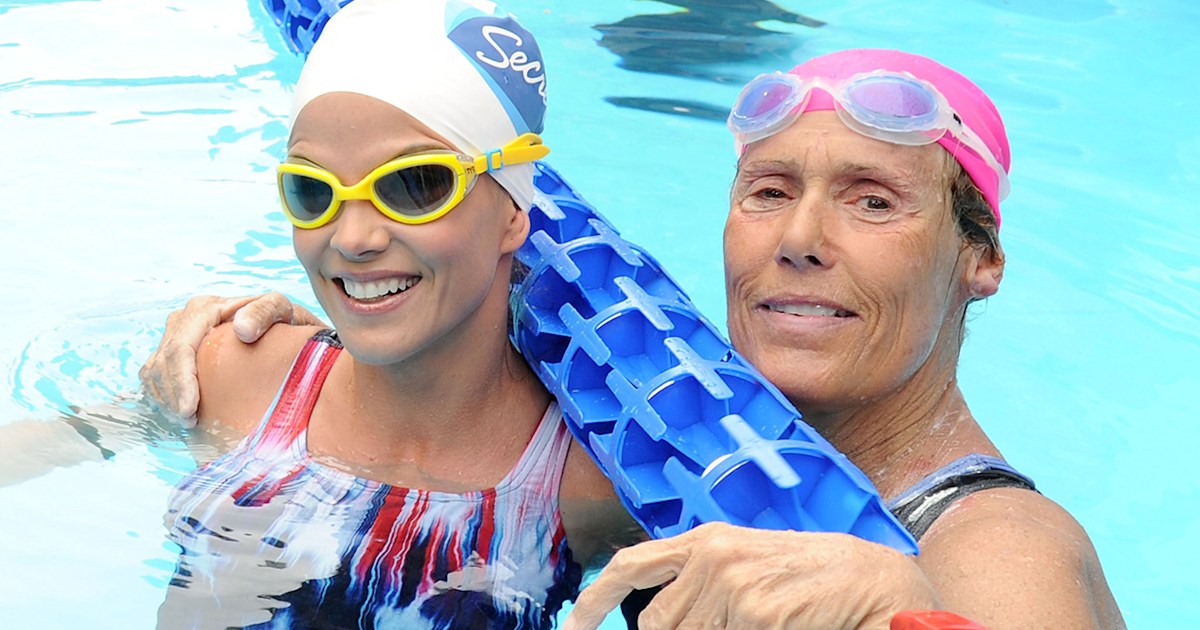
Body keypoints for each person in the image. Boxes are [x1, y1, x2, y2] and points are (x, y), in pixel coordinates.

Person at [142, 42, 1125, 630]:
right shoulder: (668, 449)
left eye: (873, 203)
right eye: (769, 193)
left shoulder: (998, 541)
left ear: (979, 259)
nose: (799, 242)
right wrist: (360, 335)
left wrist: (897, 602)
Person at [85, 0, 644, 627]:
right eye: (313, 190)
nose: (352, 238)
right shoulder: (232, 380)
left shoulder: (587, 490)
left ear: (515, 213)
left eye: (414, 184)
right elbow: (62, 445)